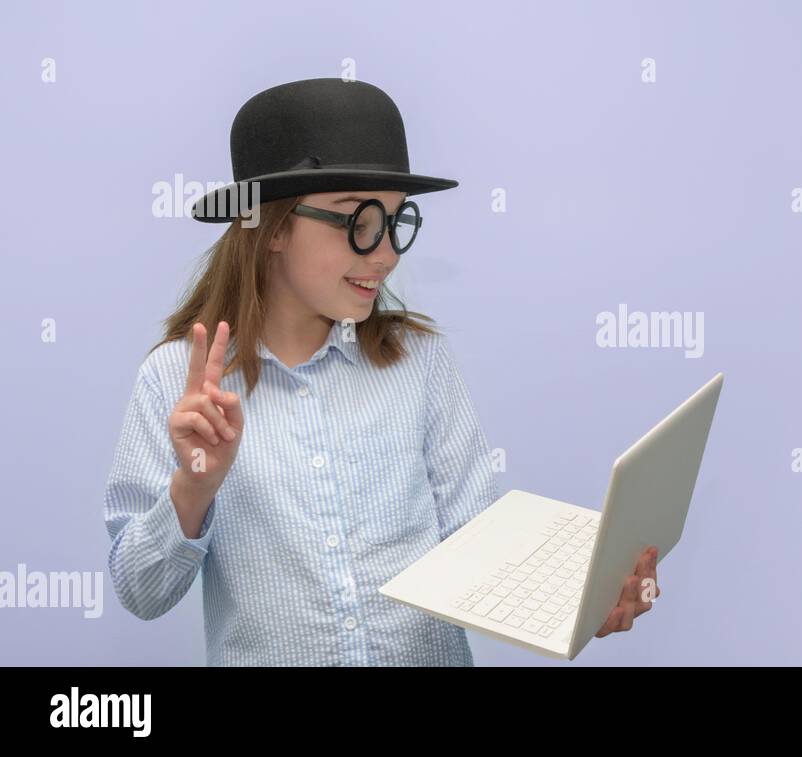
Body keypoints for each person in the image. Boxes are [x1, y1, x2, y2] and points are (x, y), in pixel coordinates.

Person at [103, 78, 659, 666]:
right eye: (357, 221)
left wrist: (582, 597)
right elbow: (142, 591)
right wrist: (195, 485)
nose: (387, 252)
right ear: (272, 228)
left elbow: (478, 542)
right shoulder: (175, 384)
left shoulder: (417, 361)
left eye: (396, 221)